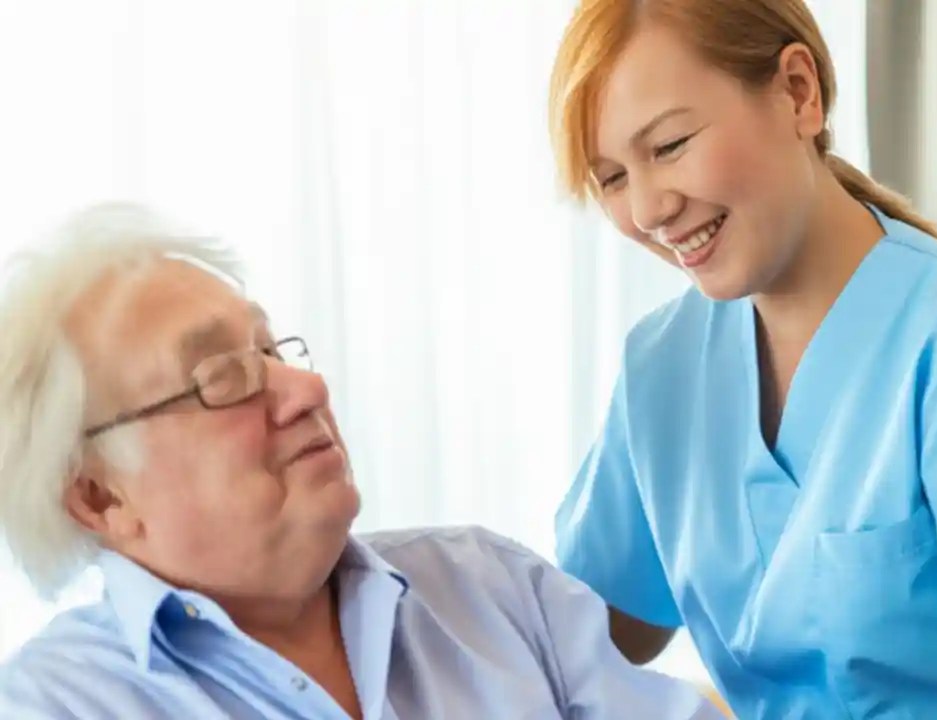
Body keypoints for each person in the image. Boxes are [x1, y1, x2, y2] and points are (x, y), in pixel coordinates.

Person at [547, 1, 937, 718]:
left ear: (798, 91)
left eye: (670, 145)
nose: (647, 208)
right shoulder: (662, 369)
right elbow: (581, 636)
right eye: (611, 177)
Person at [0, 203, 721, 720]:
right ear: (99, 499)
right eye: (223, 377)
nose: (307, 388)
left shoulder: (495, 591)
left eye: (274, 352)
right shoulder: (56, 703)